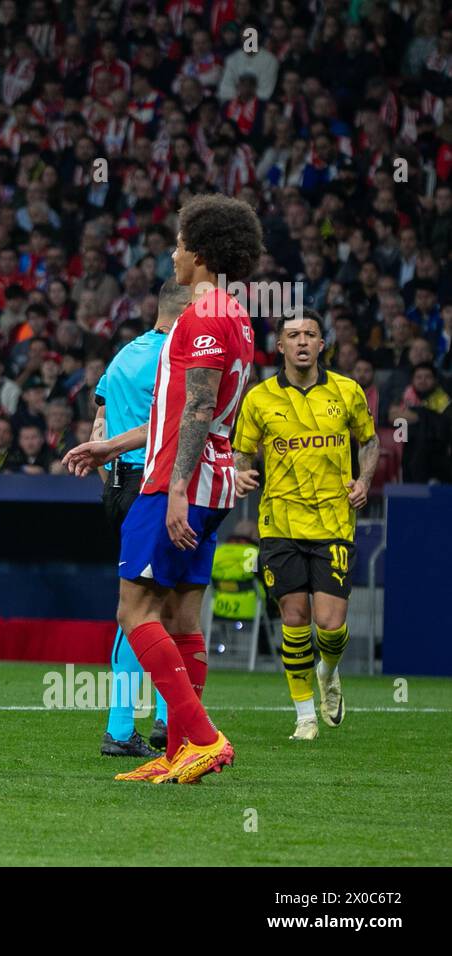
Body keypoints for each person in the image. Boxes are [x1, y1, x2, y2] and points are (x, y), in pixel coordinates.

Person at [64, 194, 261, 784]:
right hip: (212, 478)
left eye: (178, 245)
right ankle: (179, 752)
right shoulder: (237, 313)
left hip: (181, 479)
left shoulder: (200, 317)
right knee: (181, 613)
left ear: (199, 253)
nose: (172, 255)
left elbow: (197, 409)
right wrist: (111, 446)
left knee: (135, 610)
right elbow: (180, 411)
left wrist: (175, 490)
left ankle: (203, 738)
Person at [232, 309, 378, 740]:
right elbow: (242, 452)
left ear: (320, 345)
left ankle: (328, 673)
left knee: (330, 626)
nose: (301, 341)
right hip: (279, 524)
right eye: (292, 335)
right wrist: (240, 472)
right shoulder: (259, 399)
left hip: (334, 521)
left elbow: (369, 441)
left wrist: (364, 480)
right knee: (294, 619)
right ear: (279, 346)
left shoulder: (347, 392)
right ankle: (304, 717)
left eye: (309, 335)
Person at [91, 279, 188, 758]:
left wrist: (110, 471)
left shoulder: (123, 355)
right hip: (152, 485)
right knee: (145, 609)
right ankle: (122, 726)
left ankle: (165, 723)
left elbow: (100, 421)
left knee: (157, 607)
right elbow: (175, 423)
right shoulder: (176, 357)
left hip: (119, 483)